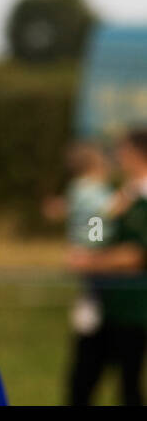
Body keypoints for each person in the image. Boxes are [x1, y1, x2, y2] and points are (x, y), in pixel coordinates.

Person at [69, 130, 147, 405]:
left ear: (137, 154)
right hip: (102, 304)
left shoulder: (141, 201)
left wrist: (90, 261)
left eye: (122, 151)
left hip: (133, 310)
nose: (117, 158)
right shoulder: (120, 196)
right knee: (81, 384)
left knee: (129, 387)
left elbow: (136, 255)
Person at [60, 142, 117, 404]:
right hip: (94, 250)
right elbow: (107, 209)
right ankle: (89, 316)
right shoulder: (91, 190)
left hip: (84, 249)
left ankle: (89, 314)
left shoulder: (77, 189)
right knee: (93, 294)